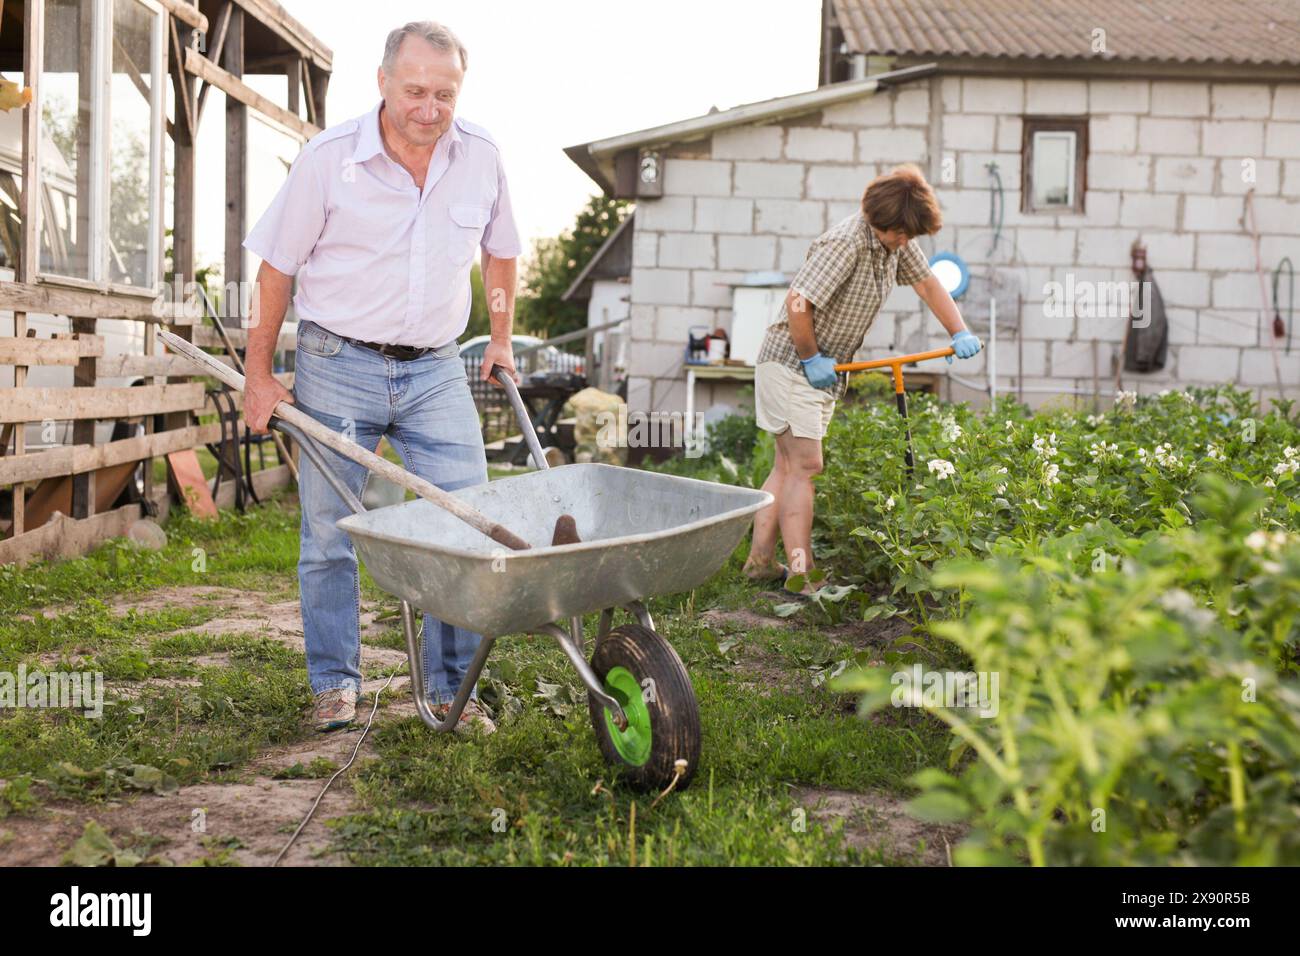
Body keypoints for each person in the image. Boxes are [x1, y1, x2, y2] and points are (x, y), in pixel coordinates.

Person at [241, 21, 522, 734]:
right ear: (384, 83)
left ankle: (454, 693)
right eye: (416, 91)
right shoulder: (329, 161)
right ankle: (335, 684)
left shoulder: (482, 156)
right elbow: (277, 267)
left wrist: (499, 337)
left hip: (435, 370)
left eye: (445, 94)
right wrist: (259, 372)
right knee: (331, 532)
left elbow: (500, 252)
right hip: (338, 364)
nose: (430, 108)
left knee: (465, 528)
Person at [742, 164, 981, 592]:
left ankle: (760, 562)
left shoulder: (895, 241)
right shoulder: (846, 242)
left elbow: (927, 284)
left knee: (787, 465)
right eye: (901, 233)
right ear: (879, 220)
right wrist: (812, 356)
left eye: (911, 234)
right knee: (806, 467)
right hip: (793, 362)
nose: (907, 241)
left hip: (817, 368)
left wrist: (958, 330)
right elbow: (798, 303)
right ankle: (802, 575)